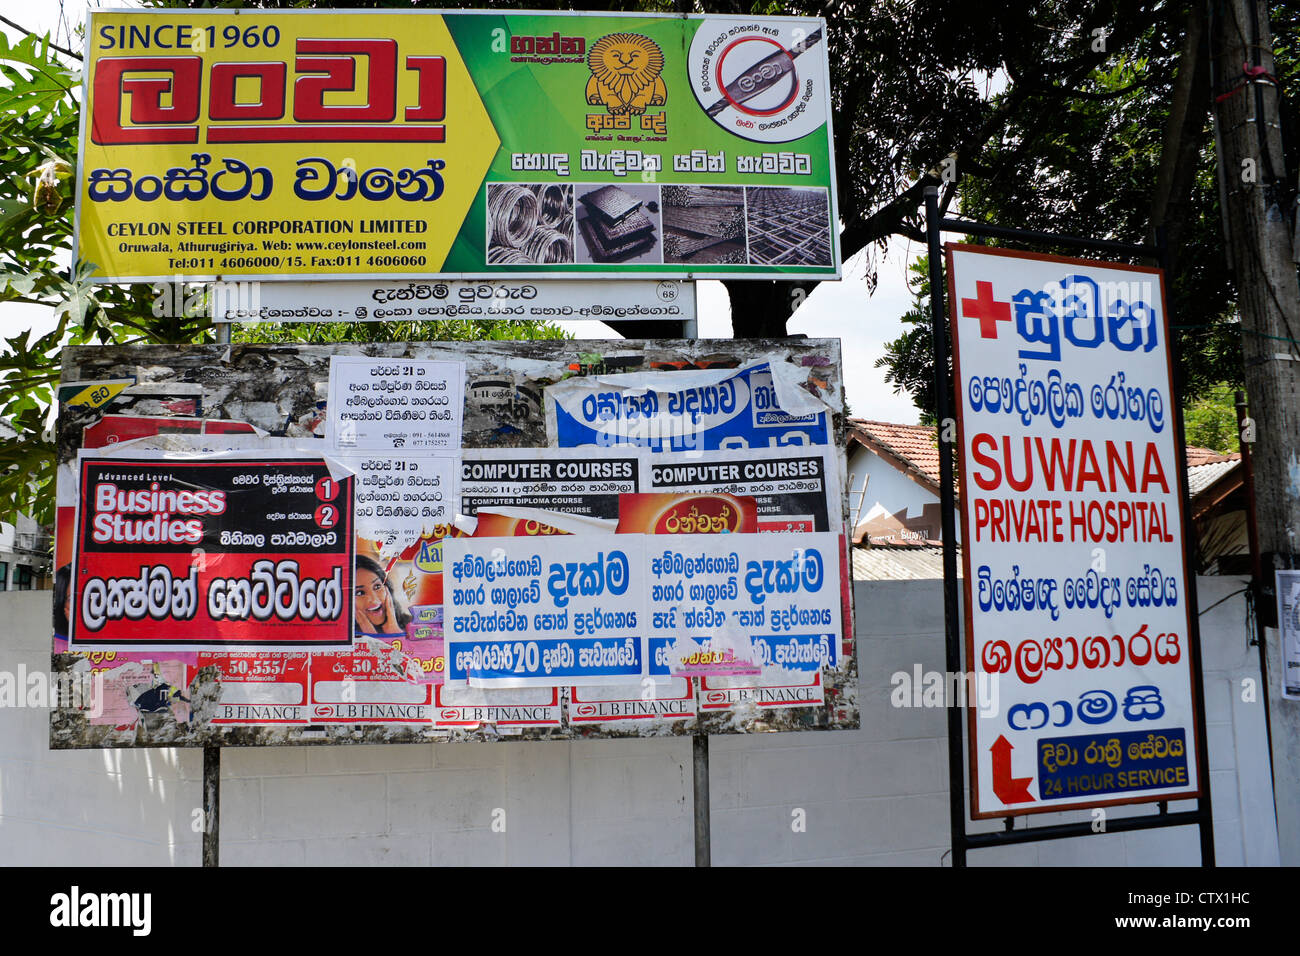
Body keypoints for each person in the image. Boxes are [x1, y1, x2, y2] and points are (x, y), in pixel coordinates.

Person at [353, 555, 411, 635]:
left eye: (377, 586)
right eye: (359, 593)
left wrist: (395, 633)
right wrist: (372, 639)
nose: (374, 599)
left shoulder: (413, 624)